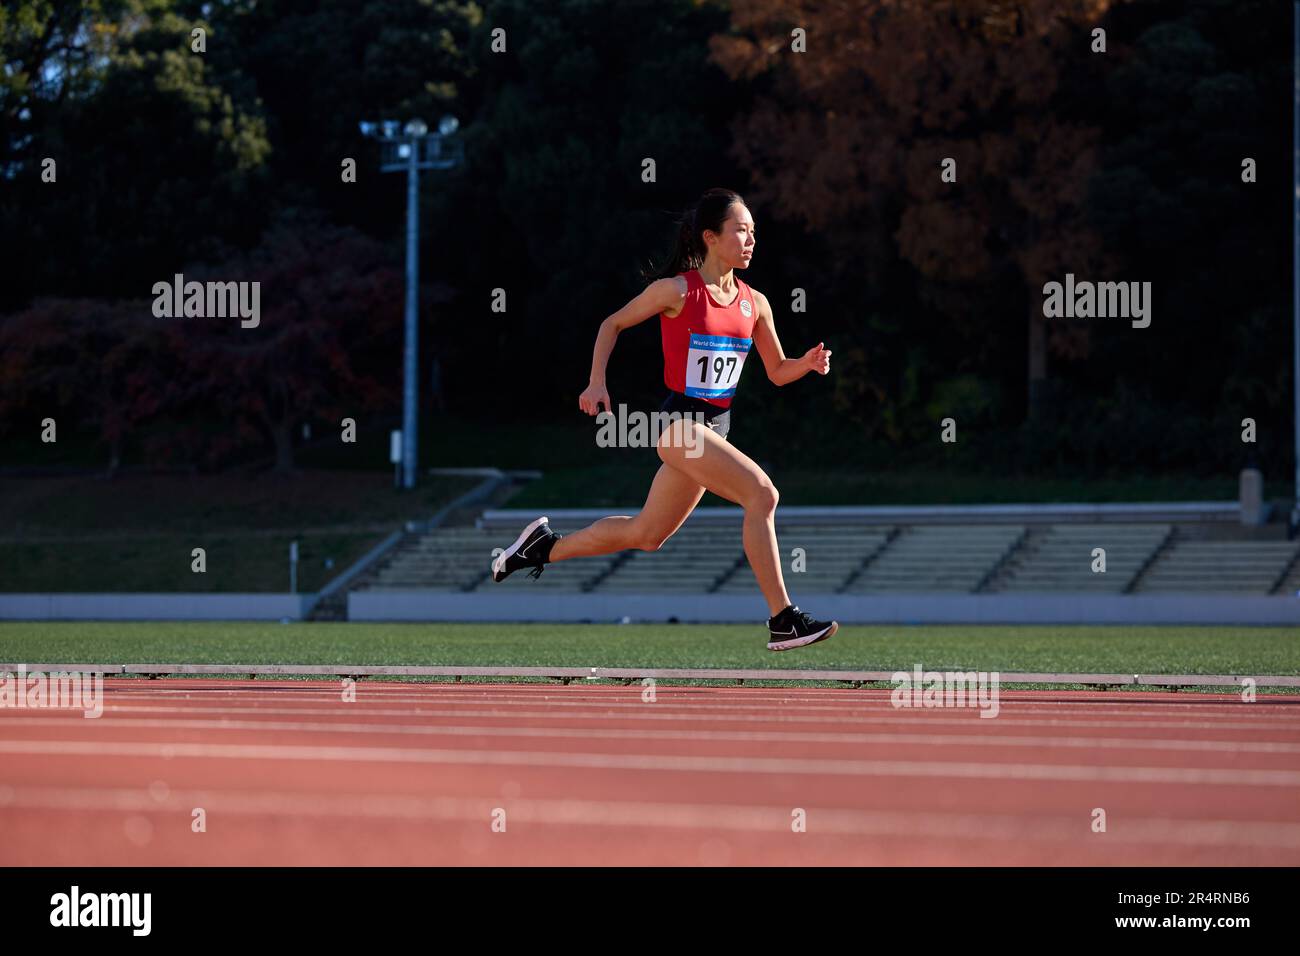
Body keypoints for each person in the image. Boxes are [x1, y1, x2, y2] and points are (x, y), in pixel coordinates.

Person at [492, 188, 838, 651]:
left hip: (713, 430)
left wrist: (807, 364)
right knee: (762, 494)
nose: (751, 240)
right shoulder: (676, 290)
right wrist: (597, 383)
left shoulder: (755, 303)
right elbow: (610, 324)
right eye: (741, 230)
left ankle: (544, 547)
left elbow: (776, 371)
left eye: (754, 232)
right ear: (710, 237)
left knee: (647, 534)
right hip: (679, 427)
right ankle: (783, 618)